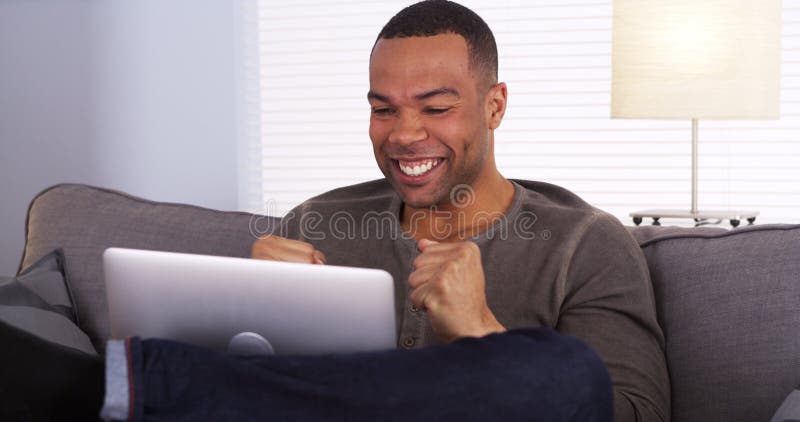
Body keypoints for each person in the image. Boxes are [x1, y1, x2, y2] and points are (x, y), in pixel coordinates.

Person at [0, 1, 667, 421]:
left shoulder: (586, 242)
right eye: (383, 108)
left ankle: (101, 387)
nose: (405, 134)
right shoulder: (316, 223)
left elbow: (631, 413)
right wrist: (248, 301)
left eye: (436, 107)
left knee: (563, 370)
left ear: (494, 106)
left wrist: (480, 328)